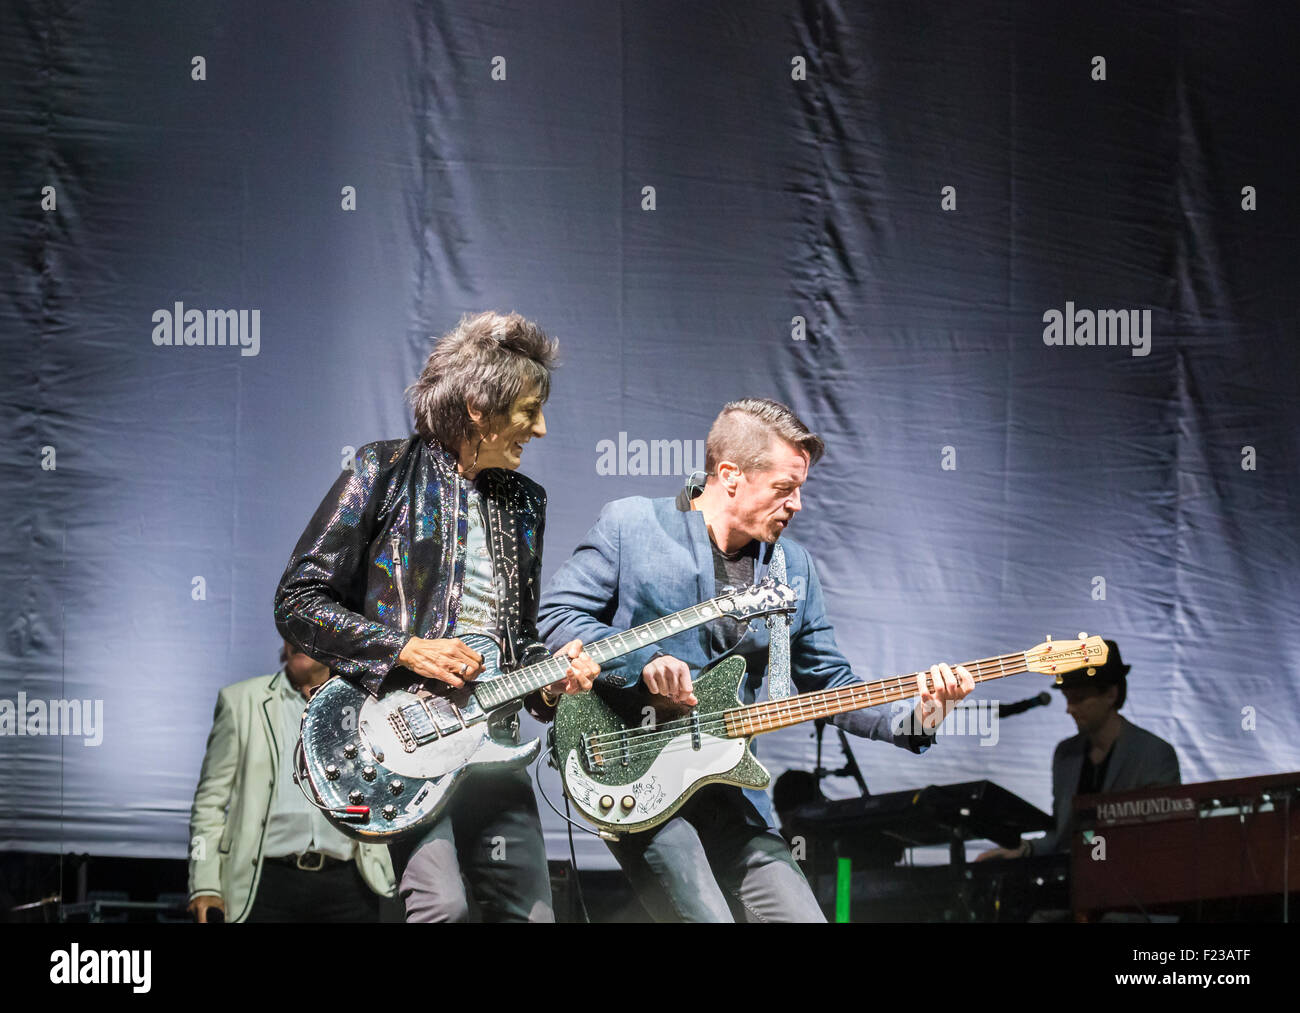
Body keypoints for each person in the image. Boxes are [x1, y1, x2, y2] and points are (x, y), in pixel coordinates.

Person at [538, 397, 974, 921]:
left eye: (800, 490)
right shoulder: (631, 525)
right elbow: (559, 617)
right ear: (730, 475)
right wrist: (643, 661)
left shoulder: (795, 567)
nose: (797, 505)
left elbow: (828, 682)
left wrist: (920, 715)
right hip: (627, 768)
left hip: (726, 783)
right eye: (784, 489)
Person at [273, 311, 599, 922]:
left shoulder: (526, 503)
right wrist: (404, 648)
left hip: (492, 739)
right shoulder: (383, 469)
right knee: (441, 908)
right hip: (403, 736)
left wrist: (549, 679)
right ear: (478, 405)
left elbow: (517, 639)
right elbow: (298, 599)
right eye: (529, 410)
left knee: (532, 918)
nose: (542, 428)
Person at [188, 640, 397, 923]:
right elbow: (208, 805)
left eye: (307, 630)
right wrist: (205, 882)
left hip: (350, 881)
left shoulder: (362, 701)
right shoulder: (240, 702)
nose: (296, 638)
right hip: (264, 882)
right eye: (290, 630)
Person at [975, 639, 1180, 861]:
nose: (1069, 709)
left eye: (1079, 699)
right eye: (1068, 699)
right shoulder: (1065, 755)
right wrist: (1025, 849)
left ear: (1111, 694)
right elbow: (1062, 835)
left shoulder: (1153, 753)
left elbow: (1162, 837)